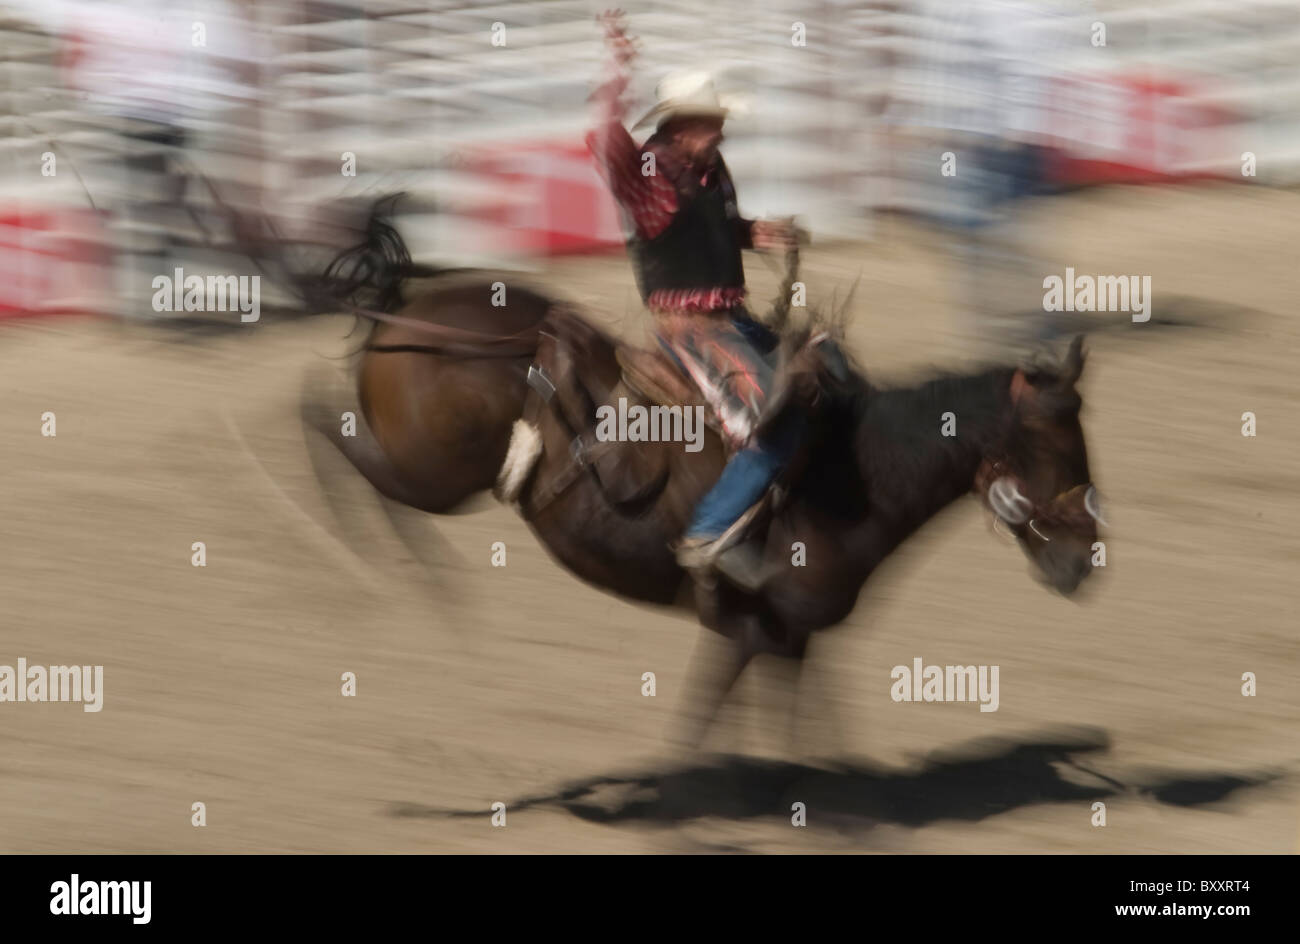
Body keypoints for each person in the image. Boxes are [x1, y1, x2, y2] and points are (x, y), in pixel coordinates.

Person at [586, 10, 801, 575]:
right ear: (681, 126)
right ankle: (706, 533)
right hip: (690, 329)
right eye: (712, 123)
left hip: (731, 316)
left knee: (813, 378)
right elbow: (605, 140)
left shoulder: (709, 167)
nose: (722, 131)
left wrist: (755, 232)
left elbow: (714, 227)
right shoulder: (651, 172)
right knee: (768, 420)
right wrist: (618, 66)